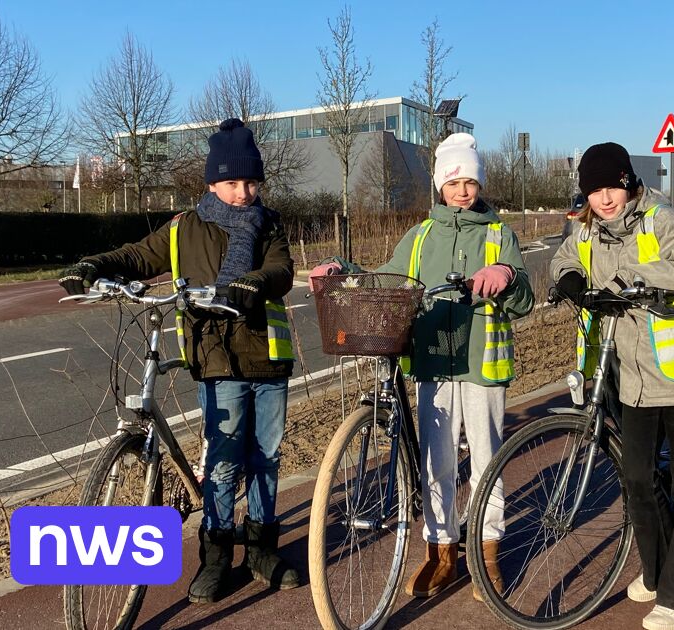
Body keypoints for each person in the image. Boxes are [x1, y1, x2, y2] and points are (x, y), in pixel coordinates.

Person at [58, 118, 300, 602]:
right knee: (226, 461)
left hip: (267, 359)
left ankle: (260, 549)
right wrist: (94, 266)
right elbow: (136, 256)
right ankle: (215, 557)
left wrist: (257, 281)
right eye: (233, 182)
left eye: (251, 182)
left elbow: (281, 269)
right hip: (215, 358)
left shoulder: (269, 225)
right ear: (212, 183)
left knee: (266, 457)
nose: (244, 192)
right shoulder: (183, 229)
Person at [309, 133, 534, 601]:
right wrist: (341, 270)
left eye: (470, 181)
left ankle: (488, 554)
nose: (463, 191)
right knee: (437, 462)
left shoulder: (499, 234)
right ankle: (441, 552)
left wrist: (507, 276)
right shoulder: (420, 236)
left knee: (488, 460)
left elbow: (525, 299)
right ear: (439, 185)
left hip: (481, 365)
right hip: (433, 364)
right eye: (454, 182)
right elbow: (385, 278)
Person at [549, 143, 674, 630]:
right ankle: (657, 571)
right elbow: (563, 261)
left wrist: (636, 275)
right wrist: (566, 280)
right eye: (593, 190)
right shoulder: (587, 231)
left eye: (611, 187)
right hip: (631, 380)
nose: (604, 198)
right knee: (639, 481)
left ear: (628, 183)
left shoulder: (661, 221)